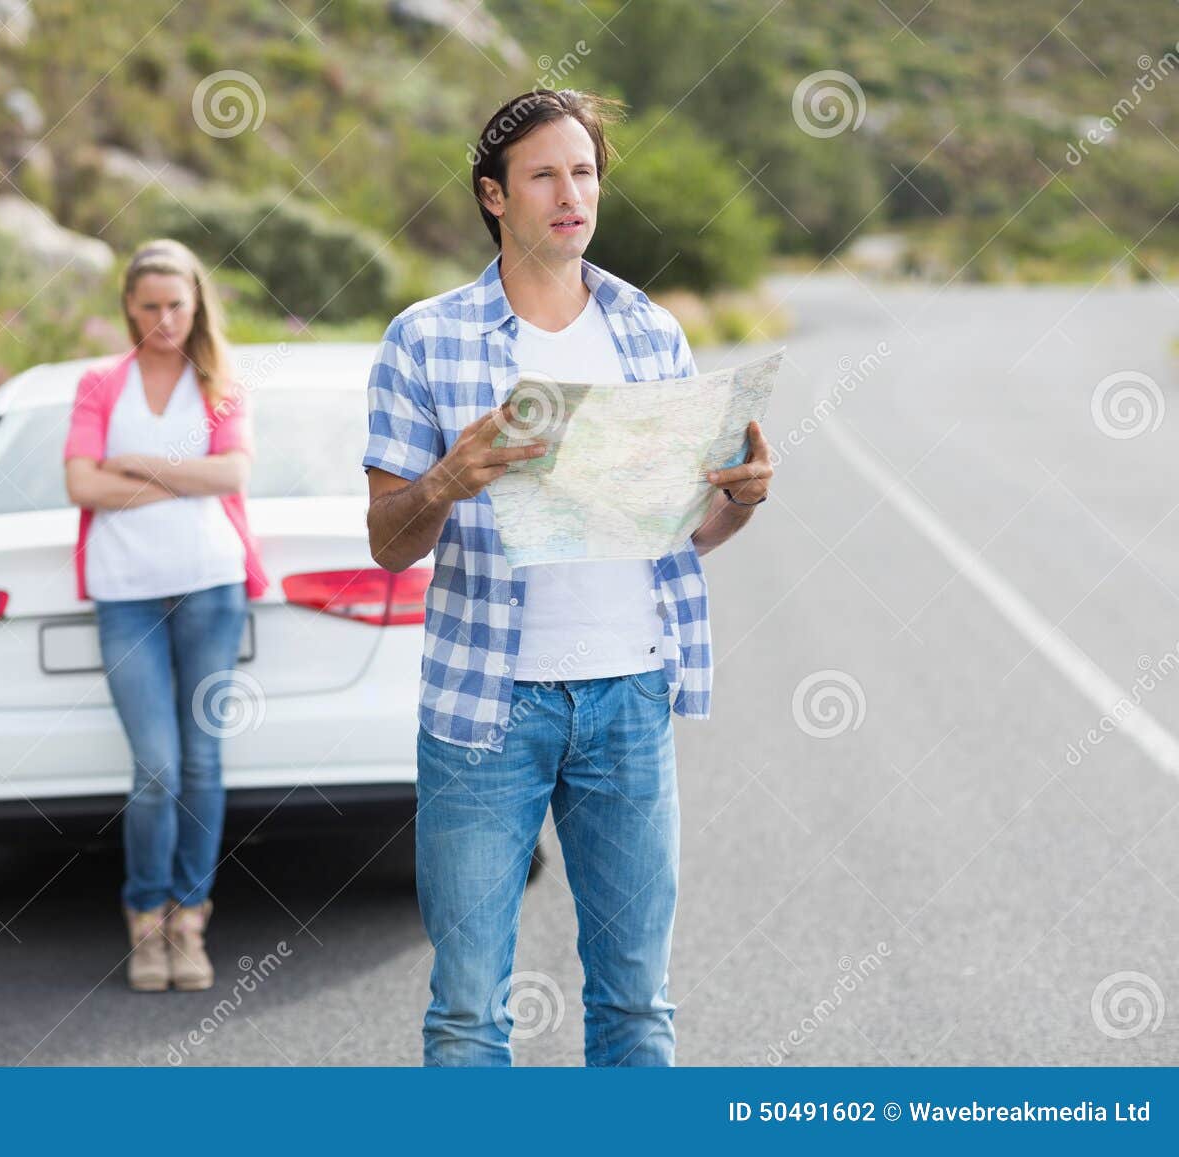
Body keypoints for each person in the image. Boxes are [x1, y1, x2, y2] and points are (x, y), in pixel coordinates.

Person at [362, 89, 774, 1065]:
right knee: (468, 1011)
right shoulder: (422, 339)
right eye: (544, 173)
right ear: (492, 195)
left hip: (629, 696)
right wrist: (449, 478)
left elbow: (673, 534)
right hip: (482, 710)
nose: (570, 192)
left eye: (583, 171)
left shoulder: (648, 333)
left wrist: (742, 498)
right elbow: (386, 541)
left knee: (636, 1006)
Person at [63, 239, 269, 993]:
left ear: (196, 303)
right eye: (149, 305)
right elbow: (81, 485)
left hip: (212, 587)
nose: (163, 319)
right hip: (125, 592)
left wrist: (137, 464)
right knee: (155, 767)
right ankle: (145, 915)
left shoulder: (218, 382)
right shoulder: (99, 384)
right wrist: (185, 480)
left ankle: (191, 918)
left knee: (202, 761)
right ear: (128, 305)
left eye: (176, 304)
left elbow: (234, 472)